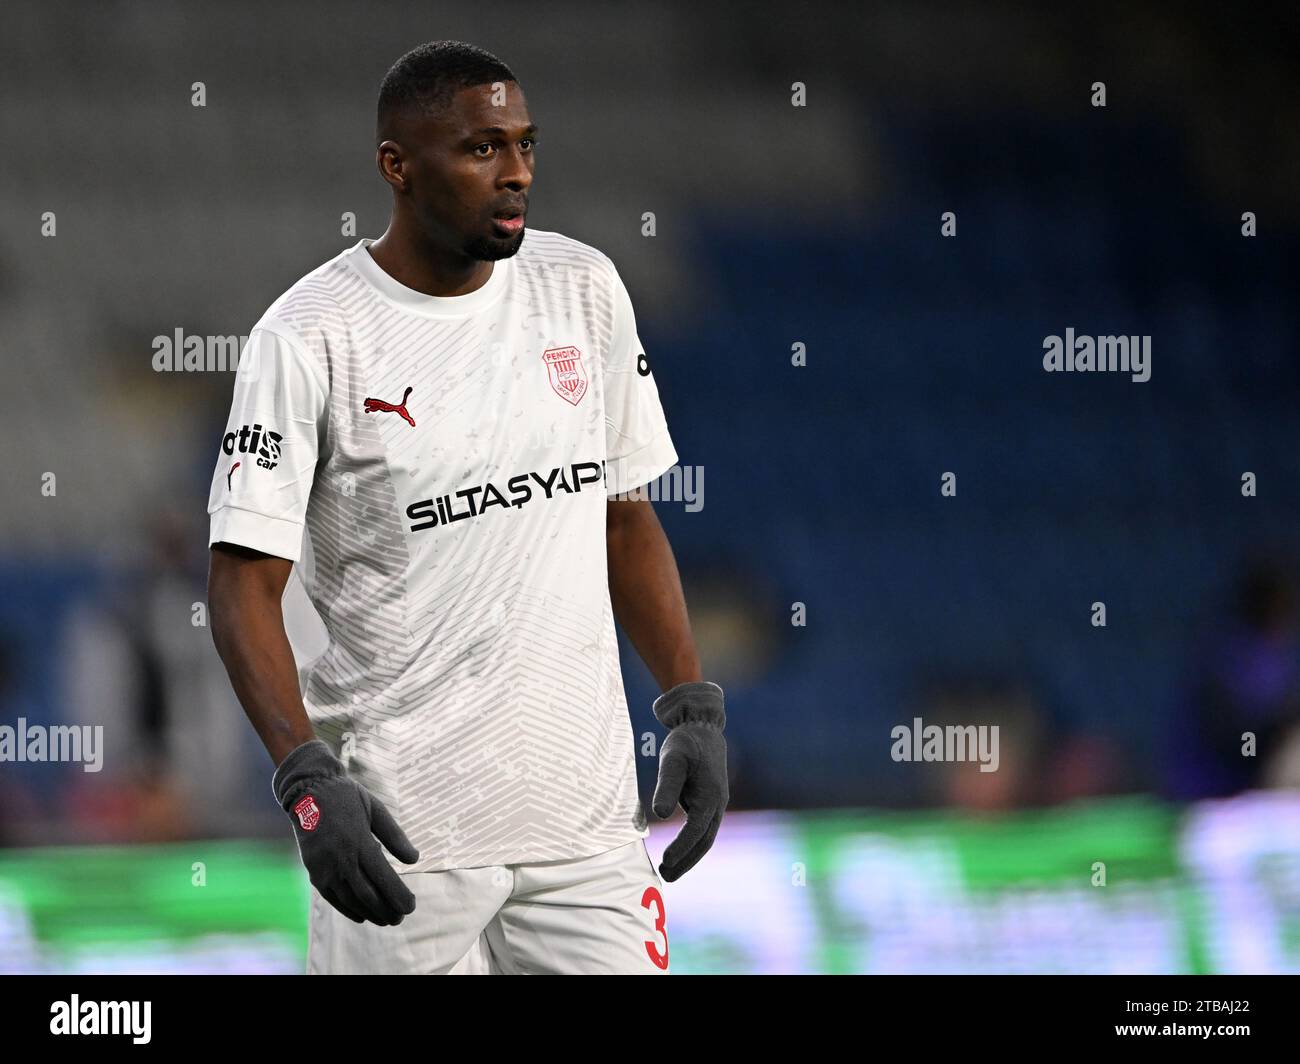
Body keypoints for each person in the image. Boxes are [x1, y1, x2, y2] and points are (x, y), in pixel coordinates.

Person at [205, 40, 728, 975]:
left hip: (588, 833)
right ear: (397, 168)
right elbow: (243, 584)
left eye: (525, 145)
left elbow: (624, 514)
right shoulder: (308, 337)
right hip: (404, 842)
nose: (517, 173)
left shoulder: (583, 290)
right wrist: (306, 781)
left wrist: (690, 702)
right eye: (483, 149)